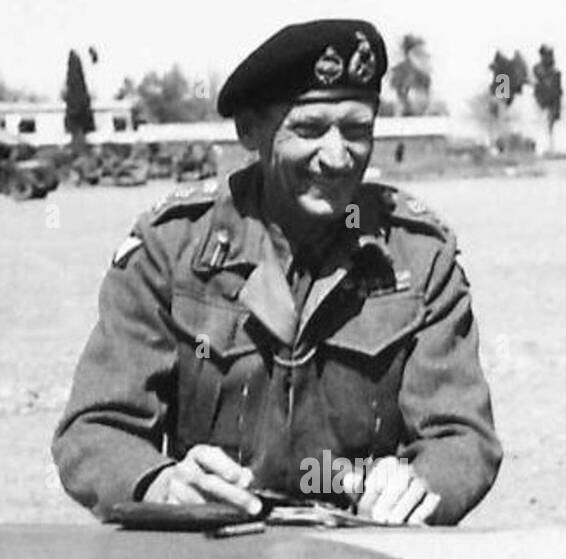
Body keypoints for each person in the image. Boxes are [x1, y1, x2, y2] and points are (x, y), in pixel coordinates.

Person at [53, 18, 501, 525]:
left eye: (357, 131)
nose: (336, 157)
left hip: (365, 547)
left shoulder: (417, 255)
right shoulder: (171, 247)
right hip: (210, 551)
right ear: (251, 131)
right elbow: (95, 429)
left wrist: (421, 485)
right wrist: (161, 484)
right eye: (309, 130)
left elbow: (463, 437)